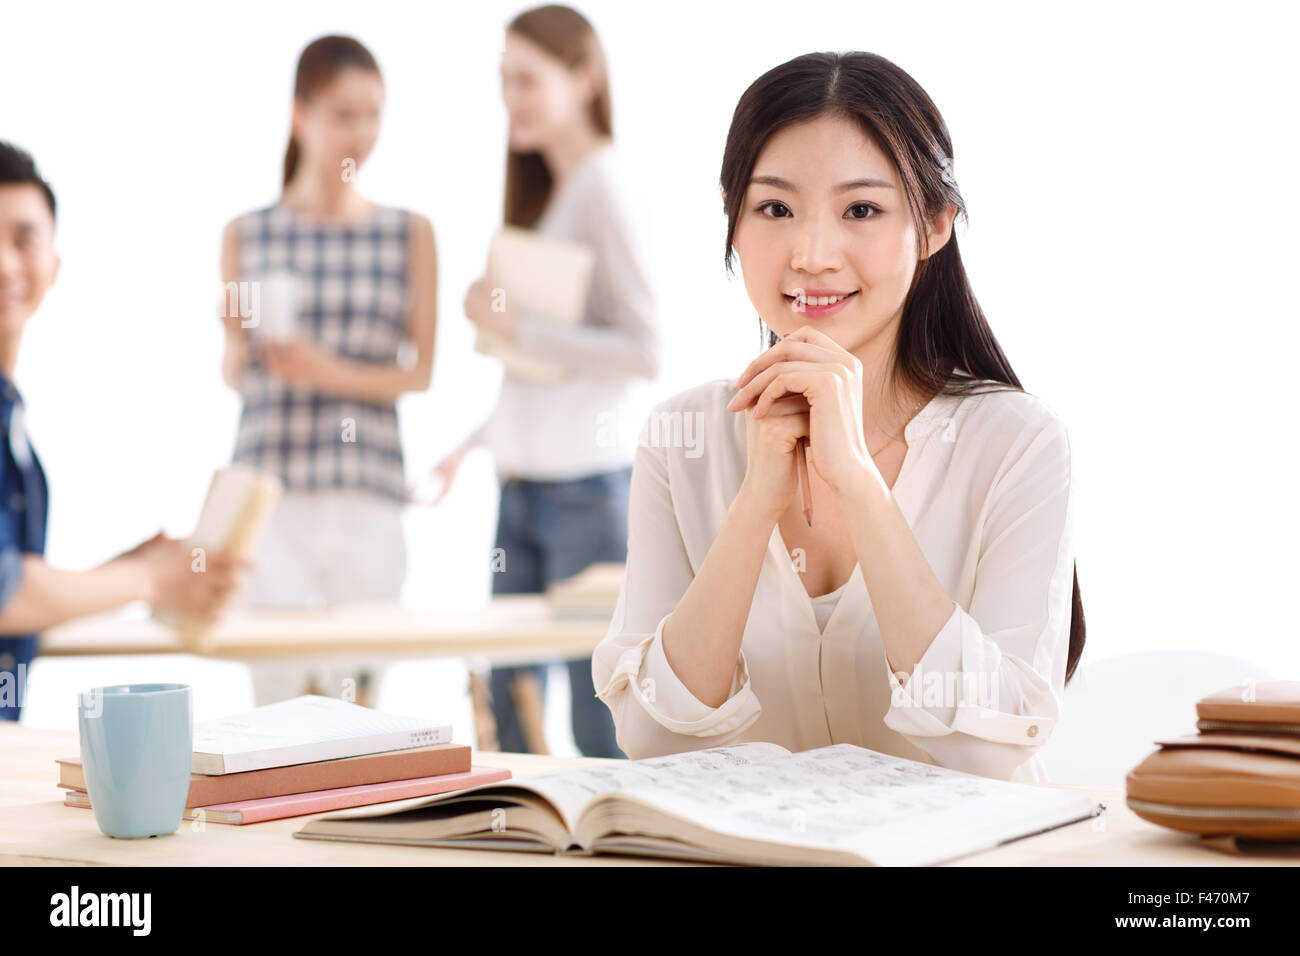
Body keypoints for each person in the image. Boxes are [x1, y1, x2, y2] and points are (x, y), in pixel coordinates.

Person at [592, 51, 1086, 783]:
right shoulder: (683, 438)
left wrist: (858, 482)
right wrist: (756, 498)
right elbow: (653, 740)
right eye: (775, 208)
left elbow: (995, 745)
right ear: (733, 220)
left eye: (861, 210)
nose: (813, 255)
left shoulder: (1017, 443)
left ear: (935, 225)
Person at [434, 5, 660, 758]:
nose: (511, 97)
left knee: (596, 722)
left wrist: (513, 327)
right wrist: (471, 443)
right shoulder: (556, 193)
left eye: (526, 78)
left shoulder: (601, 185)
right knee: (510, 708)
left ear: (583, 78)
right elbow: (543, 377)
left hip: (585, 495)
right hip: (524, 488)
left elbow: (643, 347)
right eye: (503, 80)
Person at [218, 35, 439, 707]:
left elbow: (420, 373)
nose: (362, 132)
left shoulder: (409, 233)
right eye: (344, 114)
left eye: (373, 113)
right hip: (269, 492)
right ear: (301, 115)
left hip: (365, 488)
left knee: (358, 693)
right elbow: (237, 376)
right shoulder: (246, 233)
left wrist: (327, 371)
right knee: (277, 695)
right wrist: (233, 339)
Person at [0, 142, 245, 721]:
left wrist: (127, 571)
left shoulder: (15, 424)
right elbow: (8, 590)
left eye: (24, 238)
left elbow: (22, 588)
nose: (7, 263)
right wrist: (147, 579)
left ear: (55, 263)